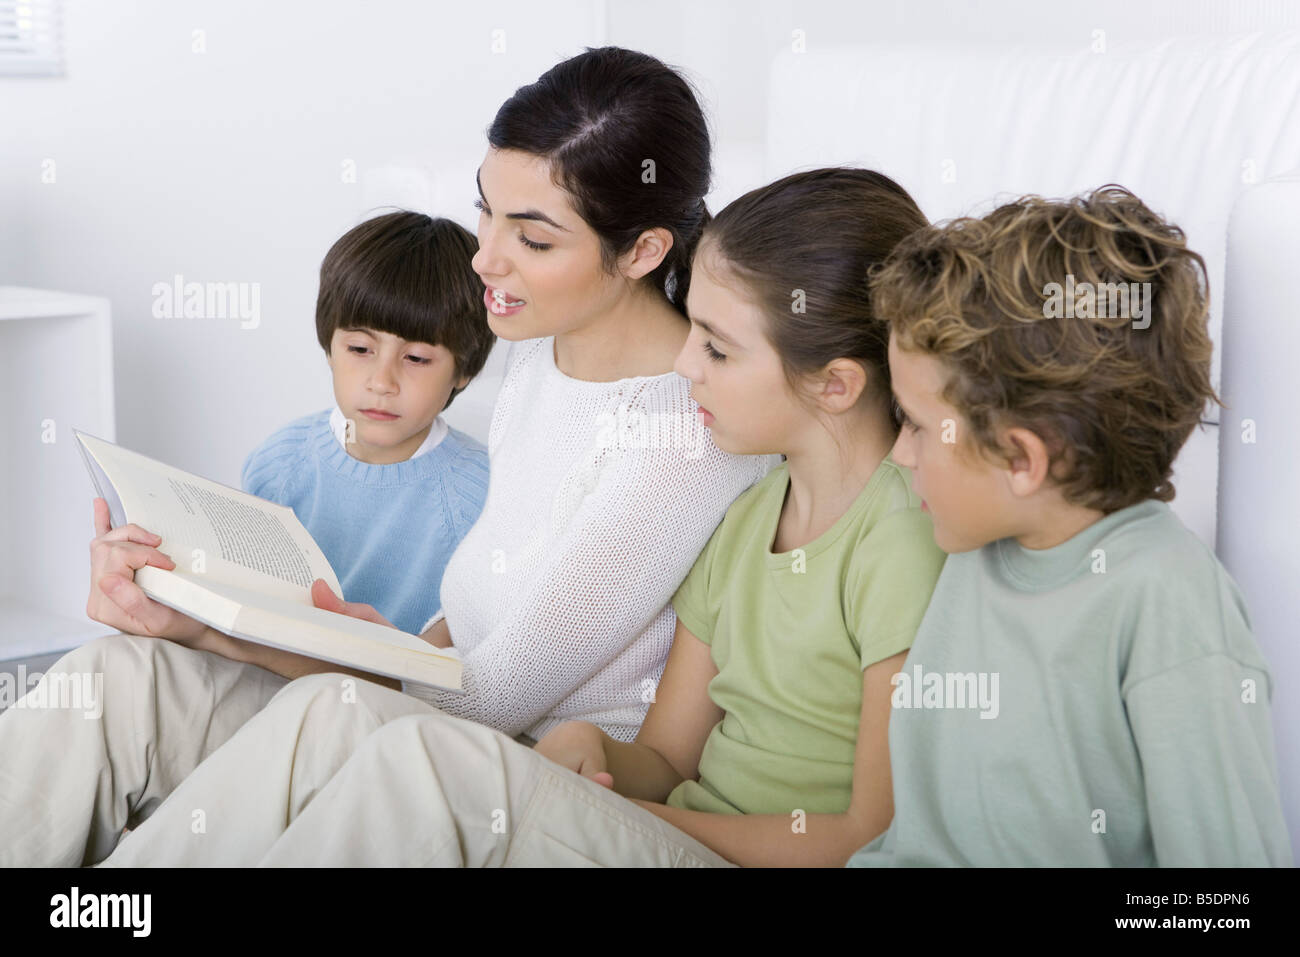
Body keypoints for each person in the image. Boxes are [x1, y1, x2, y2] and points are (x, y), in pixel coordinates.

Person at [0, 46, 771, 867]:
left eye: (534, 240)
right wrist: (211, 609)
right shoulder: (539, 357)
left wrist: (238, 636)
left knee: (325, 705)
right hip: (438, 711)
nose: (485, 259)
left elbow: (491, 699)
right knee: (123, 678)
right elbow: (469, 619)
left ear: (645, 252)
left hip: (535, 770)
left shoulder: (687, 428)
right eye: (487, 213)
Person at [99, 167, 947, 868]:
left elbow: (865, 836)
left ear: (834, 383)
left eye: (717, 349)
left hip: (716, 851)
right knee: (310, 713)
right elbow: (665, 760)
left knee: (417, 761)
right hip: (664, 822)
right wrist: (595, 752)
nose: (686, 363)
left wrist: (629, 813)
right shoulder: (748, 515)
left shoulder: (897, 539)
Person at [847, 185, 1292, 866]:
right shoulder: (979, 542)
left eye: (912, 422)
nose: (899, 451)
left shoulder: (1165, 602)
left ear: (1021, 458)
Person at [242, 210, 493, 637]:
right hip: (271, 669)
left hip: (391, 698)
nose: (382, 382)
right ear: (329, 347)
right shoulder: (280, 464)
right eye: (360, 348)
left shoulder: (483, 495)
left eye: (415, 358)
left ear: (463, 370)